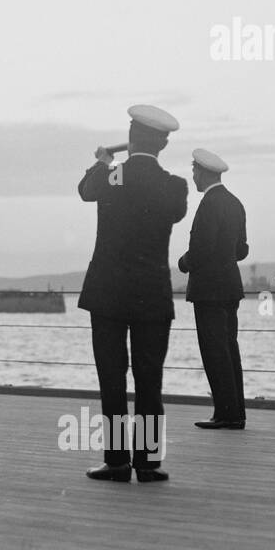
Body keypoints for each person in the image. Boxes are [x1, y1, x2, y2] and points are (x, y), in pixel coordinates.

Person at [78, 104, 188, 482]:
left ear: (130, 138)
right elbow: (174, 213)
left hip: (107, 293)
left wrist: (103, 162)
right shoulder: (174, 186)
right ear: (164, 144)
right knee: (149, 381)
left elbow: (85, 192)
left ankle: (117, 462)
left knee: (112, 380)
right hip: (152, 296)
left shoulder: (112, 176)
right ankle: (148, 462)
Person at [178, 149, 249, 430]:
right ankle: (235, 412)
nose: (193, 177)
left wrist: (183, 263)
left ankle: (225, 414)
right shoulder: (235, 203)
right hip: (230, 287)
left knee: (214, 351)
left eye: (195, 171)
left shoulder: (208, 204)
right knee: (229, 349)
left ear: (202, 172)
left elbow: (200, 249)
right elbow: (241, 250)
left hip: (208, 290)